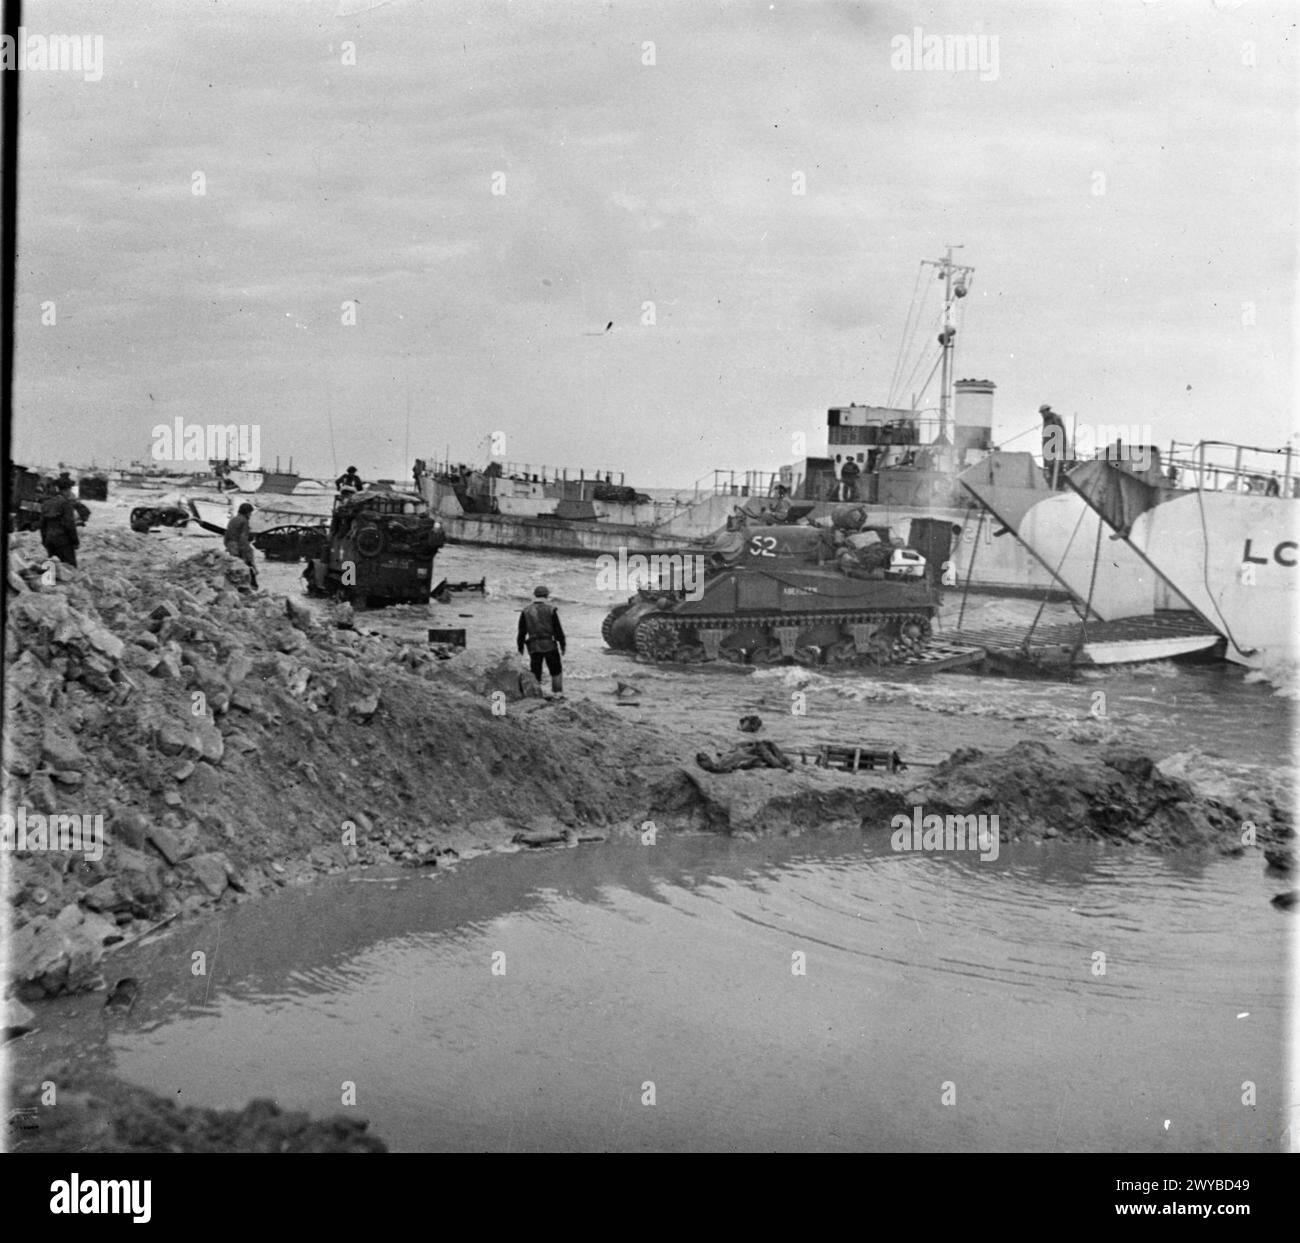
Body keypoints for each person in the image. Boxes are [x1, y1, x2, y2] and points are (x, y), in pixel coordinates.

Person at [518, 585, 565, 697]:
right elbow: (558, 629)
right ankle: (557, 693)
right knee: (556, 669)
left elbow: (521, 632)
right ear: (547, 595)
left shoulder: (526, 610)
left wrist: (520, 648)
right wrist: (562, 644)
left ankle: (536, 693)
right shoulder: (551, 609)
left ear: (535, 595)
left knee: (536, 671)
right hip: (549, 644)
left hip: (533, 646)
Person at [39, 478, 82, 566]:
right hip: (63, 541)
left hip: (49, 540)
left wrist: (44, 540)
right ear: (67, 490)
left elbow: (42, 524)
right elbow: (69, 525)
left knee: (55, 568)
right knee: (69, 569)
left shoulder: (47, 503)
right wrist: (75, 542)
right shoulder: (66, 504)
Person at [225, 502, 259, 588]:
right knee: (248, 567)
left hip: (230, 545)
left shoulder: (233, 519)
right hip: (238, 546)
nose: (250, 515)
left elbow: (226, 535)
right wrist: (247, 552)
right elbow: (243, 538)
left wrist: (228, 546)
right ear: (247, 512)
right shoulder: (244, 521)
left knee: (235, 567)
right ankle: (252, 586)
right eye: (250, 513)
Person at [1039, 404, 1070, 488]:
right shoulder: (1046, 420)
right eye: (1041, 414)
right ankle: (1054, 486)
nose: (1042, 415)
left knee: (1058, 468)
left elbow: (1061, 433)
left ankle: (1058, 487)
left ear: (1047, 411)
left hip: (1056, 448)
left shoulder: (1055, 418)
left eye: (1043, 413)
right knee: (1050, 469)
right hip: (1048, 449)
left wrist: (1062, 448)